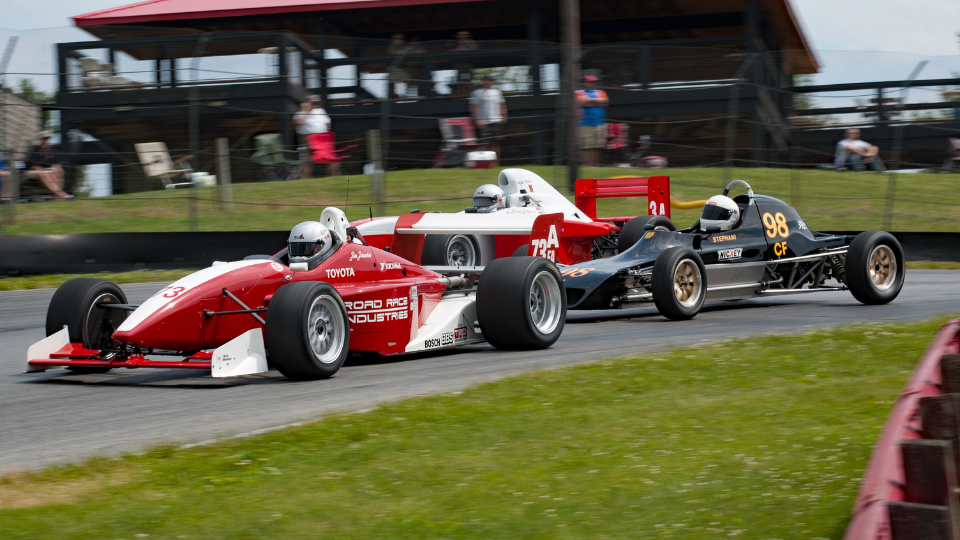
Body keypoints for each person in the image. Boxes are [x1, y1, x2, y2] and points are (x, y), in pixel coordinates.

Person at [294, 96, 340, 177]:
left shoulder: (321, 111)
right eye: (312, 103)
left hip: (322, 139)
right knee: (306, 161)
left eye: (316, 103)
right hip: (307, 139)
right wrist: (306, 111)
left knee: (331, 159)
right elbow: (299, 122)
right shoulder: (299, 113)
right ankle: (306, 182)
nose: (314, 105)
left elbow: (328, 123)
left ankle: (335, 178)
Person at [469, 74, 507, 159]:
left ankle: (496, 163)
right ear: (483, 81)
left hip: (496, 121)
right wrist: (477, 120)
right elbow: (473, 107)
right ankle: (484, 162)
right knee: (484, 143)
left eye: (491, 80)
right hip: (483, 122)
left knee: (496, 143)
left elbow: (502, 104)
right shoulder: (476, 93)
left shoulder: (497, 92)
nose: (489, 82)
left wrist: (503, 115)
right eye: (487, 80)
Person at [25, 131, 72, 200]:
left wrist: (55, 168)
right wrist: (46, 171)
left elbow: (56, 164)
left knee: (59, 171)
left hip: (47, 171)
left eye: (47, 138)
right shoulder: (33, 150)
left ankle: (57, 197)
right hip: (32, 172)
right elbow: (32, 166)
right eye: (43, 138)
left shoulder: (52, 150)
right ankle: (60, 194)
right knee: (42, 172)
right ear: (40, 139)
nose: (45, 140)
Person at [576, 75, 609, 167]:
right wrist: (598, 101)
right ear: (583, 83)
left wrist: (591, 101)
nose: (592, 84)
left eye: (593, 82)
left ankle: (595, 166)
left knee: (598, 146)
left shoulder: (601, 92)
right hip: (584, 124)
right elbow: (584, 102)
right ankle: (586, 166)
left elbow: (605, 102)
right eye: (589, 82)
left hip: (600, 124)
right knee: (586, 147)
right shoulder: (578, 93)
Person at [452, 31, 478, 95]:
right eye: (460, 37)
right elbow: (448, 52)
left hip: (468, 66)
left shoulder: (471, 43)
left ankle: (473, 94)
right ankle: (462, 94)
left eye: (464, 37)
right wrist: (457, 49)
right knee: (461, 82)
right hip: (460, 66)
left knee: (469, 81)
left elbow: (476, 49)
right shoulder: (456, 44)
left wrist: (470, 43)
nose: (462, 39)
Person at [386, 33, 411, 99]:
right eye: (395, 39)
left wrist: (401, 51)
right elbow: (391, 52)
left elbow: (408, 52)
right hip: (393, 67)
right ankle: (393, 95)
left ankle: (406, 95)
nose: (398, 40)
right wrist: (401, 52)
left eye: (400, 39)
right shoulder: (390, 45)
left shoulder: (405, 46)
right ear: (392, 40)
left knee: (407, 80)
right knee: (392, 82)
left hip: (402, 67)